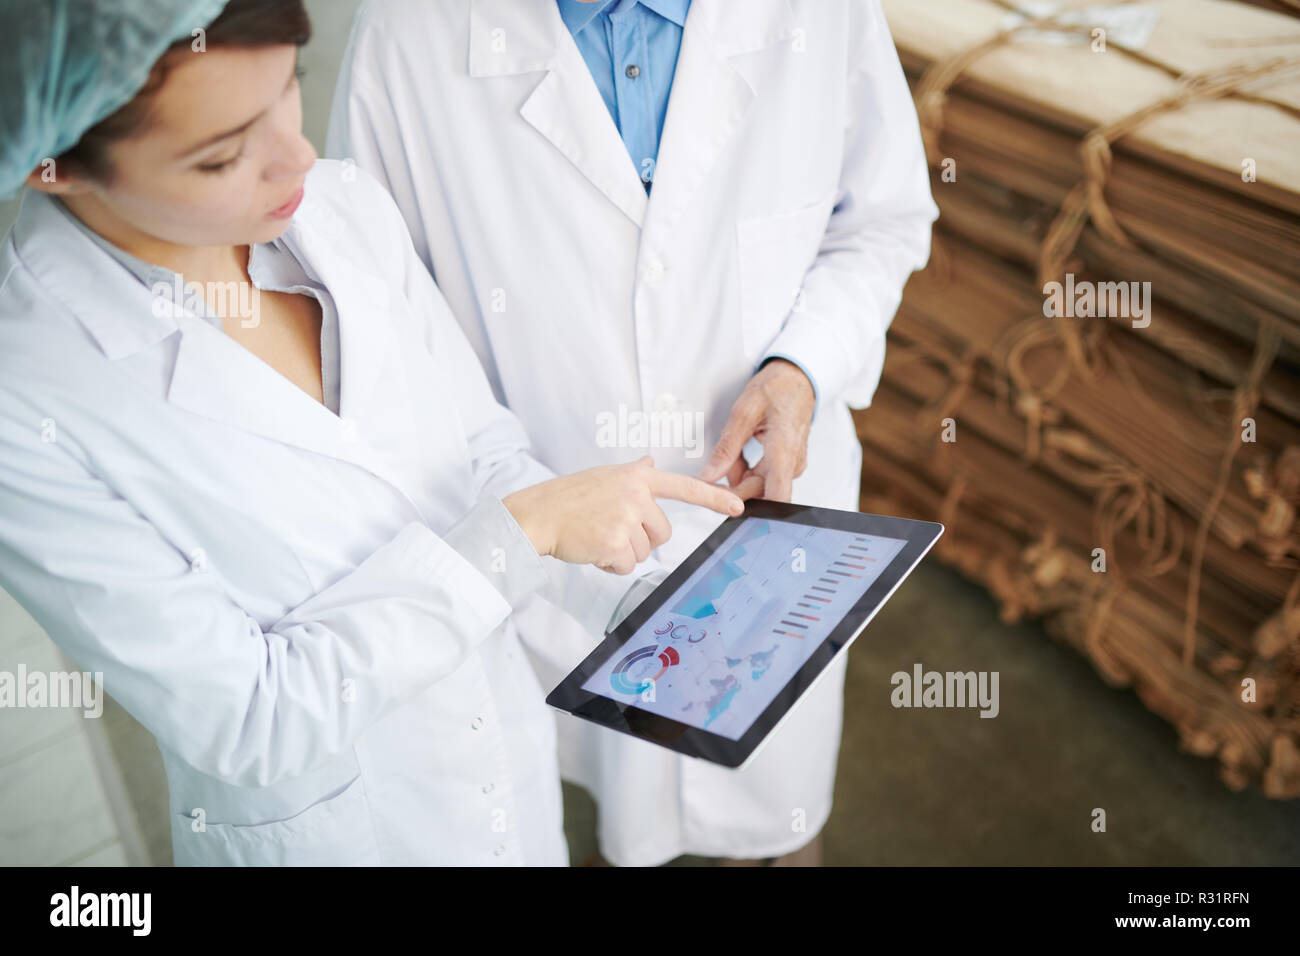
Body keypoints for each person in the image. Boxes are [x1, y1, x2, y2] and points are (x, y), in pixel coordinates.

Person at [0, 0, 742, 866]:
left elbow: (482, 457)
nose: (298, 155)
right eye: (222, 155)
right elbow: (250, 717)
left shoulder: (341, 208)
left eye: (291, 88)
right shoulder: (30, 398)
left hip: (506, 782)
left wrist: (637, 601)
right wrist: (521, 535)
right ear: (52, 166)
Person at [327, 0, 939, 865]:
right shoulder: (411, 31)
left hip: (776, 522)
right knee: (602, 809)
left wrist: (802, 366)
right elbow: (381, 315)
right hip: (560, 533)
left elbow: (879, 222)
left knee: (778, 821)